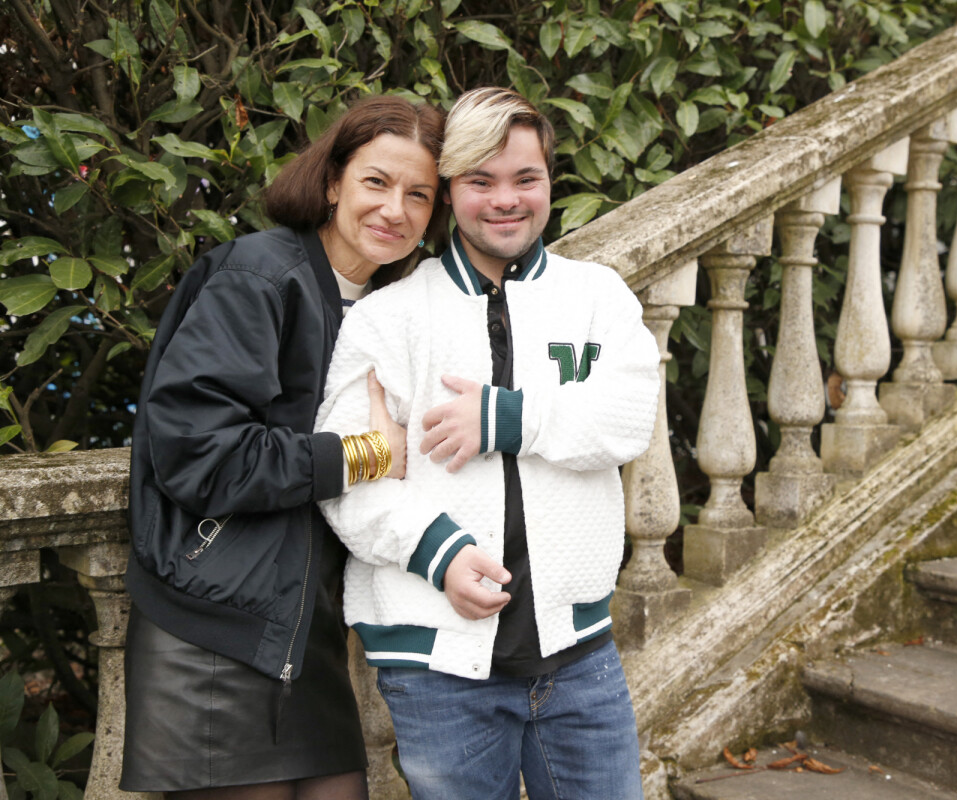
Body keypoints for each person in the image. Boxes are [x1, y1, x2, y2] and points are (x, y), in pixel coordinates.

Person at [316, 87, 660, 800]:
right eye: (480, 180)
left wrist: (508, 419)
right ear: (449, 191)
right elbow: (350, 481)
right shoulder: (388, 319)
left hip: (580, 660)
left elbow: (627, 418)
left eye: (525, 178)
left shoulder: (598, 296)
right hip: (437, 672)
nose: (506, 199)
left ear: (548, 184)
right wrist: (436, 554)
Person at [121, 94, 444, 799]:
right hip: (214, 628)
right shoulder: (258, 276)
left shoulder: (393, 309)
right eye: (376, 182)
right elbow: (199, 454)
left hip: (305, 632)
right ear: (333, 182)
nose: (395, 209)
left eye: (419, 194)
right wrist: (361, 454)